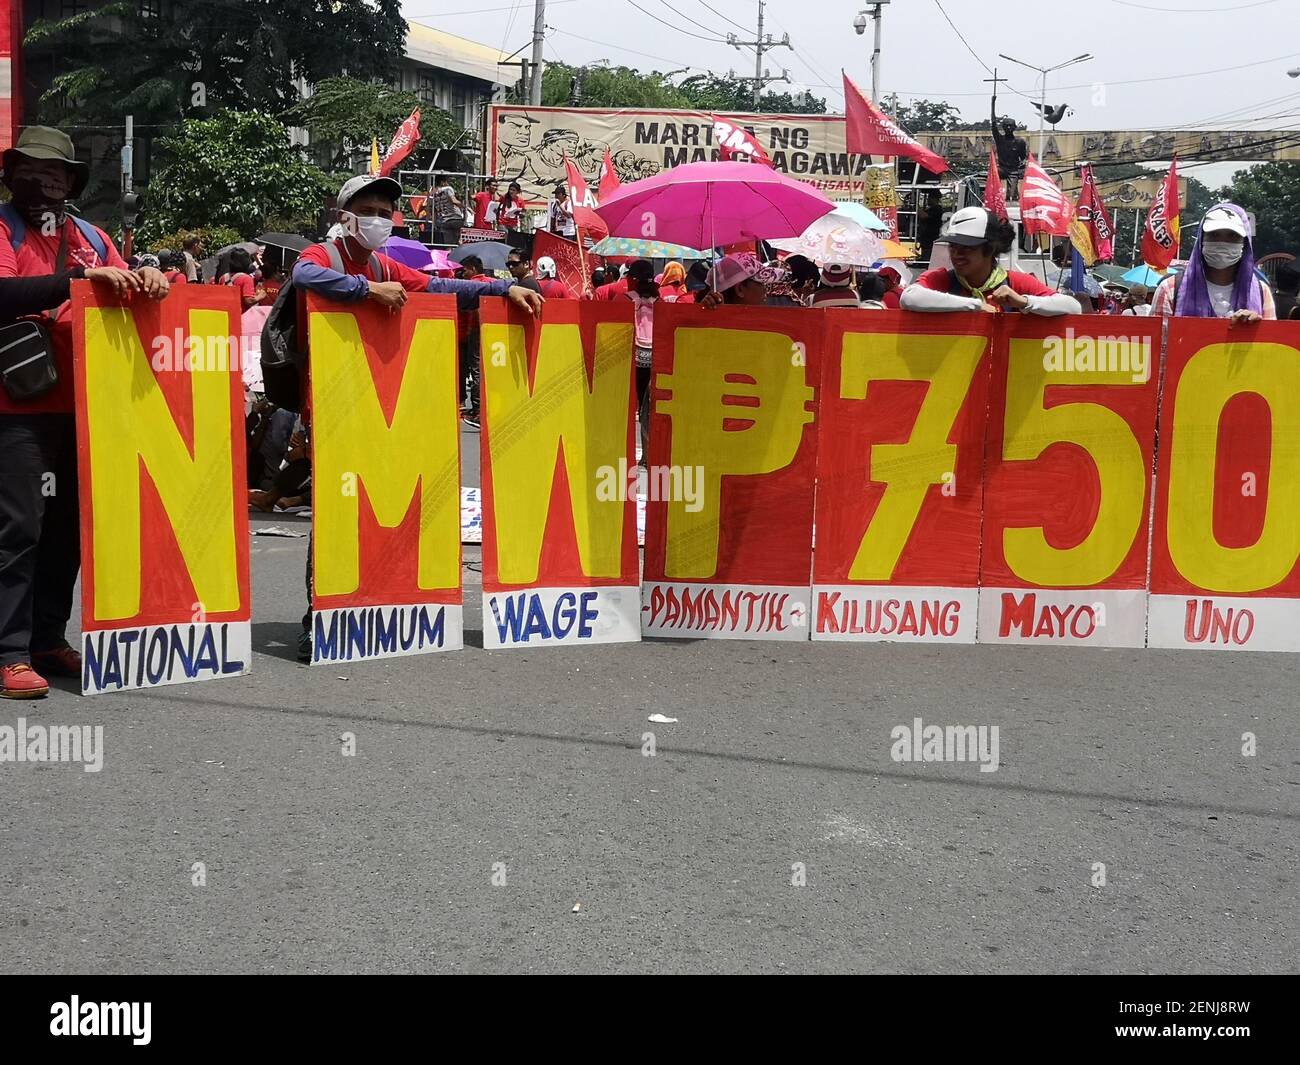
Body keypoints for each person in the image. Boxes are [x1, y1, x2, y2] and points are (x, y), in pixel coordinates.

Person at [290, 174, 544, 660]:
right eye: (372, 211)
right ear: (345, 215)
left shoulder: (385, 262)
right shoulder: (325, 257)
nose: (381, 220)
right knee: (334, 514)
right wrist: (368, 291)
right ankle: (316, 620)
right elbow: (303, 278)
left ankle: (371, 608)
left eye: (388, 213)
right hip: (331, 404)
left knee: (383, 506)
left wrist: (501, 288)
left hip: (386, 405)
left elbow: (441, 286)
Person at [0, 125, 170, 698]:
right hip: (14, 407)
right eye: (30, 171)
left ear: (70, 182)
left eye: (53, 174)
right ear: (10, 175)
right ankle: (9, 652)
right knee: (19, 527)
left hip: (86, 405)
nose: (41, 182)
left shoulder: (91, 237)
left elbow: (124, 283)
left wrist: (148, 278)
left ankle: (47, 638)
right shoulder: (2, 226)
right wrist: (72, 282)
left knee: (69, 529)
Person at [900, 206, 1081, 316]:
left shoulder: (1016, 282)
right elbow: (909, 297)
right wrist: (975, 305)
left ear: (990, 248)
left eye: (967, 247)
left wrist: (1023, 302)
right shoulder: (941, 279)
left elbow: (1073, 307)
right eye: (953, 246)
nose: (956, 254)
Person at [1150, 203, 1275, 321]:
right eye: (1214, 235)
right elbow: (1156, 340)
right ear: (1201, 239)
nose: (1222, 243)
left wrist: (1258, 330)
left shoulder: (1261, 292)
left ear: (1245, 243)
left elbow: (1272, 341)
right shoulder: (1169, 290)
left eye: (1232, 236)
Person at [433, 174, 465, 246]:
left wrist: (435, 222)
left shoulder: (432, 193)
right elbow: (453, 201)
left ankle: (448, 256)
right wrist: (465, 207)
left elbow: (433, 209)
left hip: (443, 220)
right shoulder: (448, 189)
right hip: (455, 218)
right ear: (442, 182)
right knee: (459, 242)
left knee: (448, 245)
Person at [497, 181, 526, 247]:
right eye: (510, 189)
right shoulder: (504, 197)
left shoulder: (520, 200)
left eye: (513, 190)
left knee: (511, 243)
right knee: (503, 242)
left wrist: (521, 215)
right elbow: (497, 207)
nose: (511, 191)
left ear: (517, 192)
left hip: (513, 225)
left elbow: (523, 213)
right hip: (503, 223)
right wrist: (497, 220)